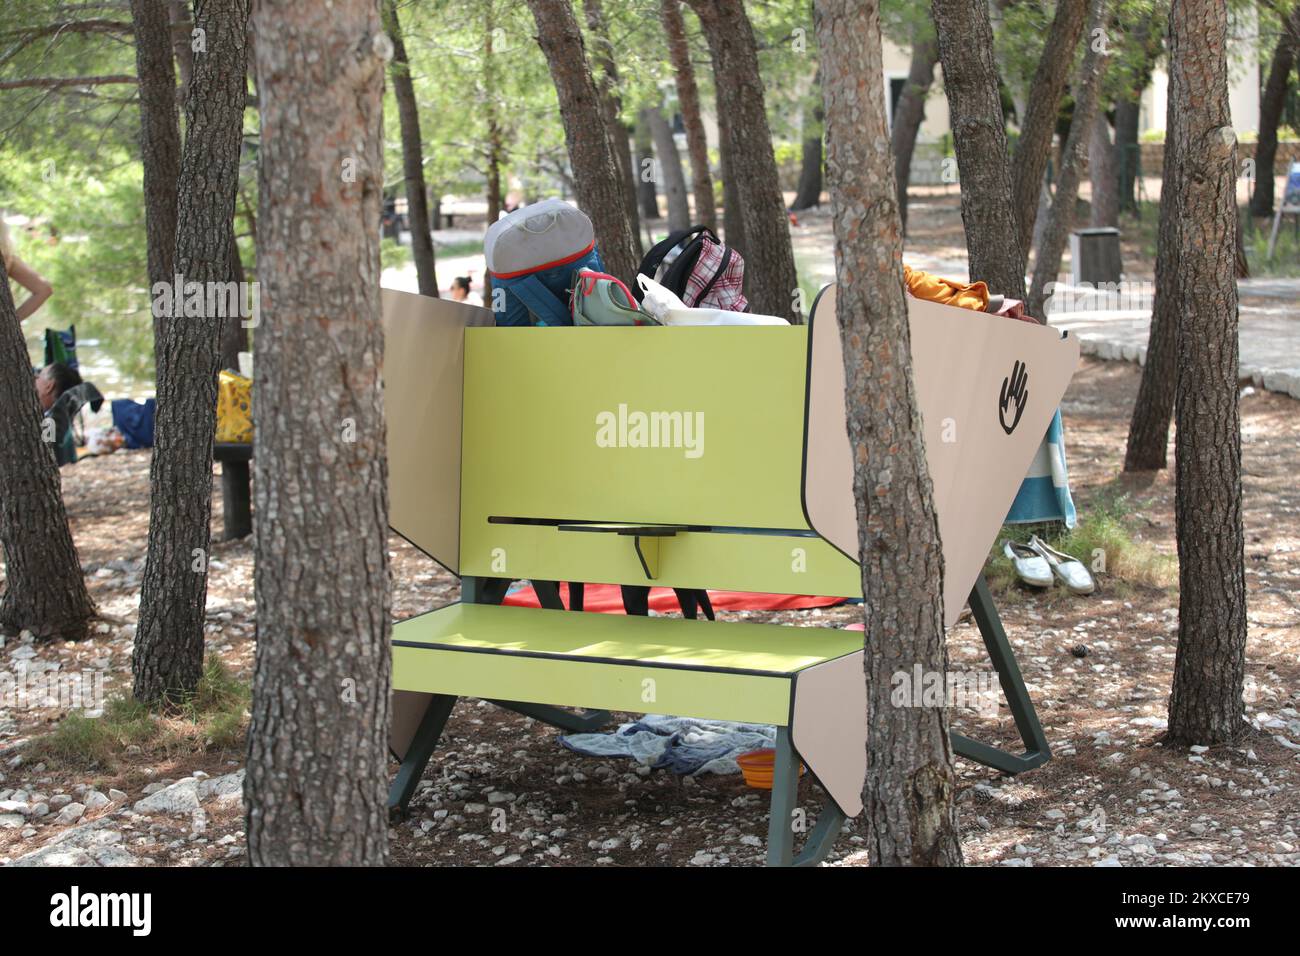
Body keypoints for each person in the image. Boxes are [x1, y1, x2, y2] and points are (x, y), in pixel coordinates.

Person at [1, 217, 54, 322]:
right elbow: (44, 289)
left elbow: (44, 289)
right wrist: (11, 322)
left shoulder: (6, 256)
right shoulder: (6, 255)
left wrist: (11, 323)